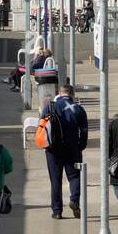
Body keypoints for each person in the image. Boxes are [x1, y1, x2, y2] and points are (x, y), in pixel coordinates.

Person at [42, 83, 89, 220]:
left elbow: (43, 128)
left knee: (55, 180)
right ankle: (74, 200)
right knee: (74, 177)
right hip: (73, 148)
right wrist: (81, 146)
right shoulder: (79, 109)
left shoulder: (50, 107)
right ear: (72, 94)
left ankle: (57, 211)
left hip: (53, 150)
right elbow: (84, 131)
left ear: (59, 93)